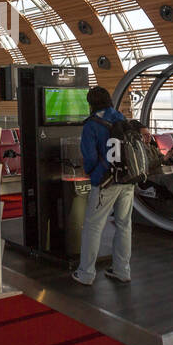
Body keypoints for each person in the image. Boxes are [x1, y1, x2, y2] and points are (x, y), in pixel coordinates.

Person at [72, 86, 134, 286]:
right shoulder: (120, 118)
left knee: (93, 226)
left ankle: (86, 274)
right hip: (127, 179)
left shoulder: (92, 125)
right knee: (124, 224)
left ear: (90, 103)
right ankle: (122, 270)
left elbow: (89, 157)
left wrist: (91, 173)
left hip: (105, 181)